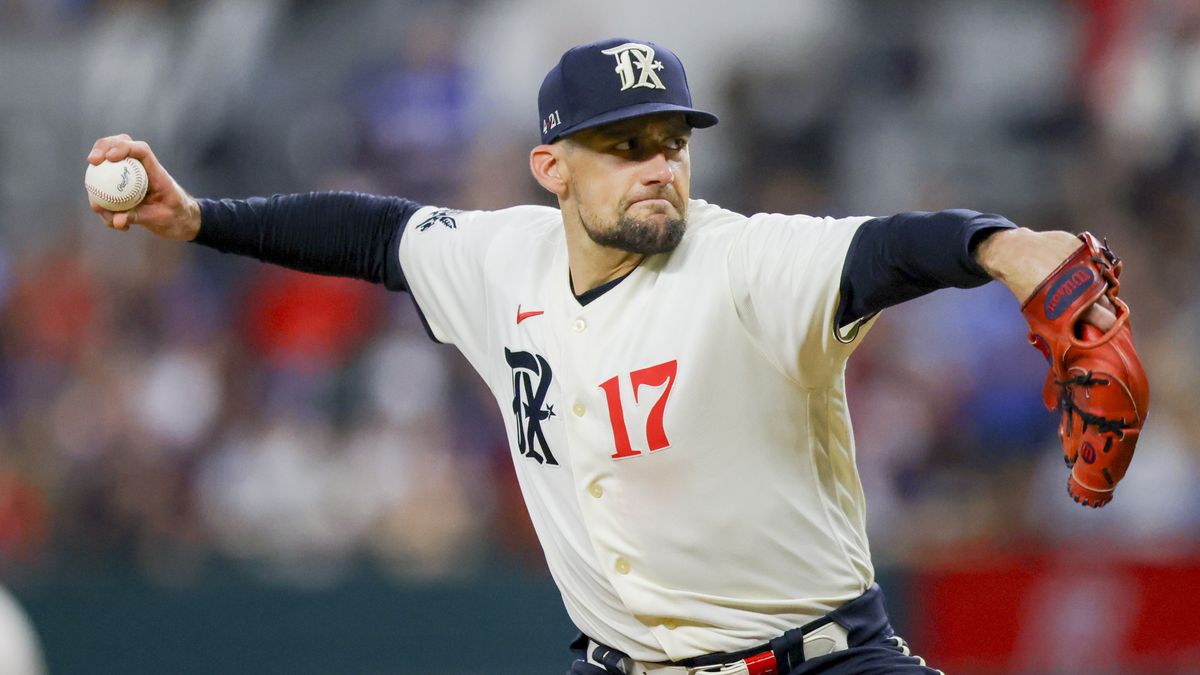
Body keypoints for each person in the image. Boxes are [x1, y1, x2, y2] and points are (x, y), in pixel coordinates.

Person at [87, 37, 1122, 675]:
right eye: (624, 146)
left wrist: (1006, 246)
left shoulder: (745, 263)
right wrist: (201, 219)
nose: (657, 167)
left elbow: (885, 248)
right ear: (552, 167)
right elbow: (367, 231)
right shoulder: (502, 260)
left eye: (671, 141)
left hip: (816, 665)